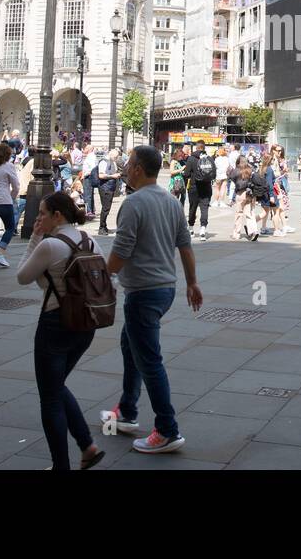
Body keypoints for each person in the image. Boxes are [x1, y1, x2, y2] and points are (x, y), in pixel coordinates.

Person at [102, 145, 202, 454]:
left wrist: (102, 279)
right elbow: (184, 245)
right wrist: (192, 282)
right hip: (165, 289)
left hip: (143, 292)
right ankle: (127, 411)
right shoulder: (171, 201)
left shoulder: (133, 203)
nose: (126, 169)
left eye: (129, 164)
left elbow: (122, 250)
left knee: (149, 360)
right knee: (131, 346)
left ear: (137, 169)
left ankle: (167, 430)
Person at [17, 192, 106, 470]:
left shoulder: (50, 245)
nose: (38, 217)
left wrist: (33, 238)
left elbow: (22, 277)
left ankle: (61, 465)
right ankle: (87, 446)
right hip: (86, 324)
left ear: (58, 216)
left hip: (55, 323)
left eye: (42, 213)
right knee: (56, 385)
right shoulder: (90, 240)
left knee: (50, 397)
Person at [185, 140, 214, 239]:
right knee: (204, 209)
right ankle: (202, 230)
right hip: (206, 187)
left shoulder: (191, 159)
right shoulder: (209, 159)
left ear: (196, 148)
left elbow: (187, 174)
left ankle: (191, 229)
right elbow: (213, 174)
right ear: (204, 148)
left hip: (194, 187)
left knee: (192, 208)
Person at [96, 148, 121, 236]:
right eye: (116, 157)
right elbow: (101, 175)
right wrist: (113, 176)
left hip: (110, 187)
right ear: (112, 155)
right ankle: (101, 228)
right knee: (105, 208)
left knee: (107, 208)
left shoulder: (112, 161)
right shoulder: (104, 162)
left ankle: (104, 226)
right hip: (105, 187)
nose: (117, 158)